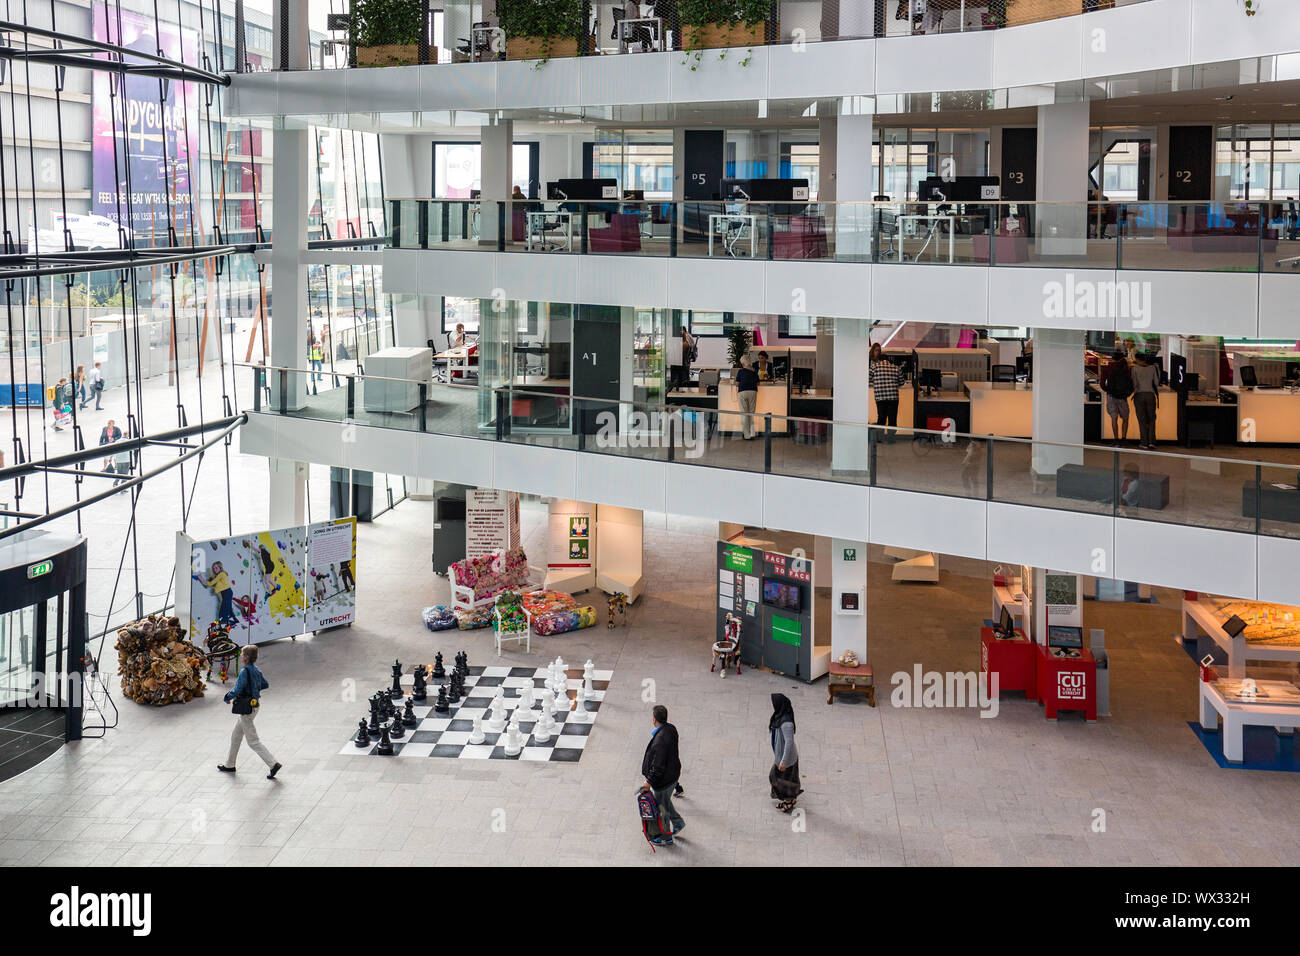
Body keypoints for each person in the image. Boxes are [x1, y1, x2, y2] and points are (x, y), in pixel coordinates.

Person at [218, 644, 281, 779]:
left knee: (253, 741)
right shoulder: (256, 670)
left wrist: (227, 697)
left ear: (246, 658)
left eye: (242, 654)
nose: (241, 656)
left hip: (246, 708)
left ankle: (273, 764)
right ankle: (230, 764)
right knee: (236, 736)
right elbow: (265, 684)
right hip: (254, 706)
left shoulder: (244, 671)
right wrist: (254, 690)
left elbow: (238, 689)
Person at [640, 704, 683, 846]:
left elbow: (657, 767)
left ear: (654, 719)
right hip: (673, 776)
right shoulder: (671, 729)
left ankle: (666, 836)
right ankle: (678, 823)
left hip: (663, 782)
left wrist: (648, 782)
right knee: (664, 801)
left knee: (661, 808)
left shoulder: (659, 740)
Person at [768, 693, 801, 813]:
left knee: (784, 781)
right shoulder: (779, 715)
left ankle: (789, 801)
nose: (772, 705)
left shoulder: (786, 723)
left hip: (786, 760)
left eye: (773, 702)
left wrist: (784, 761)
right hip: (780, 756)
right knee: (782, 780)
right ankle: (790, 799)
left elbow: (789, 743)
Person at [868, 343, 903, 442]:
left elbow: (868, 379)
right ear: (888, 360)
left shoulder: (874, 367)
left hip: (880, 397)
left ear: (880, 360)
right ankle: (890, 439)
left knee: (881, 417)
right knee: (892, 419)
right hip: (893, 398)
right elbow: (902, 382)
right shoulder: (896, 368)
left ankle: (879, 438)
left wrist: (877, 381)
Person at [1130, 351, 1161, 450]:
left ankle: (1144, 443)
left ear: (1138, 359)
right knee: (1152, 419)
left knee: (1142, 420)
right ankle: (1152, 442)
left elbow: (1134, 384)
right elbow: (1156, 382)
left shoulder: (1134, 369)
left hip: (1139, 395)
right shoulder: (1153, 368)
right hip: (1150, 395)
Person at [198, 561, 240, 629]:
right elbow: (213, 584)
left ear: (220, 567)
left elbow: (211, 583)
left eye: (216, 567)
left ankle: (224, 626)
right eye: (214, 568)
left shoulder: (222, 574)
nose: (215, 569)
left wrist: (201, 578)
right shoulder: (219, 576)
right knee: (228, 609)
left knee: (223, 611)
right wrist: (204, 580)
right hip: (226, 593)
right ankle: (234, 621)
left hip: (227, 593)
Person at [1102, 353, 1133, 444]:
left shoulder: (1107, 368)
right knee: (1125, 418)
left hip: (1111, 396)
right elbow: (1130, 382)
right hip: (1122, 397)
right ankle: (1124, 439)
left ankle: (1116, 439)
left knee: (1114, 418)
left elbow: (1102, 383)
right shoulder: (1125, 368)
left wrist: (1108, 390)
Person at [734, 355, 759, 440]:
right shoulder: (754, 371)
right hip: (753, 392)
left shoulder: (741, 371)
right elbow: (758, 383)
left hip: (743, 392)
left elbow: (737, 384)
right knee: (751, 413)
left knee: (744, 413)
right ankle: (752, 433)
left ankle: (746, 435)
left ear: (743, 363)